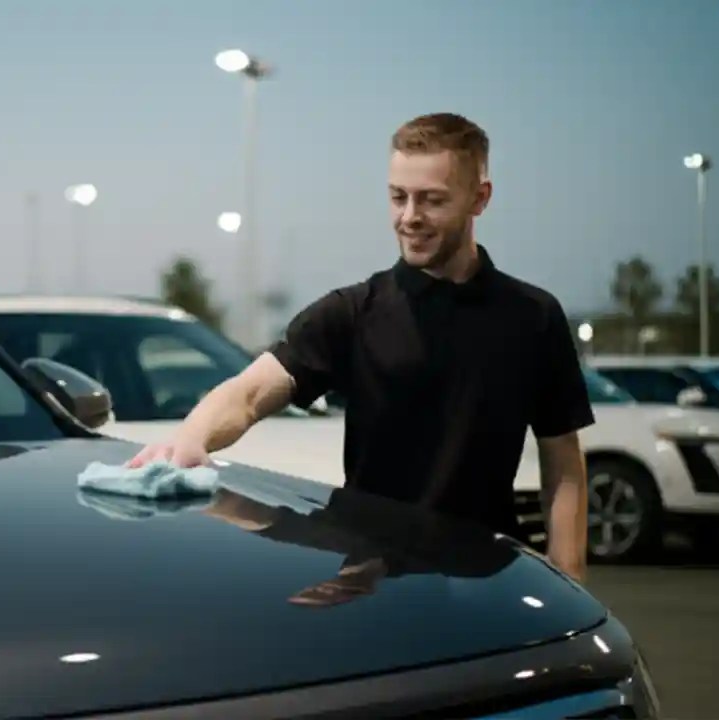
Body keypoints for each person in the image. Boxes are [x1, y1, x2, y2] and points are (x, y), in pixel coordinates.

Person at [128, 112, 593, 582]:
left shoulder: (532, 317)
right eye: (398, 197)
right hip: (369, 580)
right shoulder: (352, 312)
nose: (410, 217)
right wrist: (192, 438)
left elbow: (563, 463)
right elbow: (249, 393)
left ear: (480, 198)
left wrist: (571, 578)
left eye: (432, 200)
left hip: (486, 577)